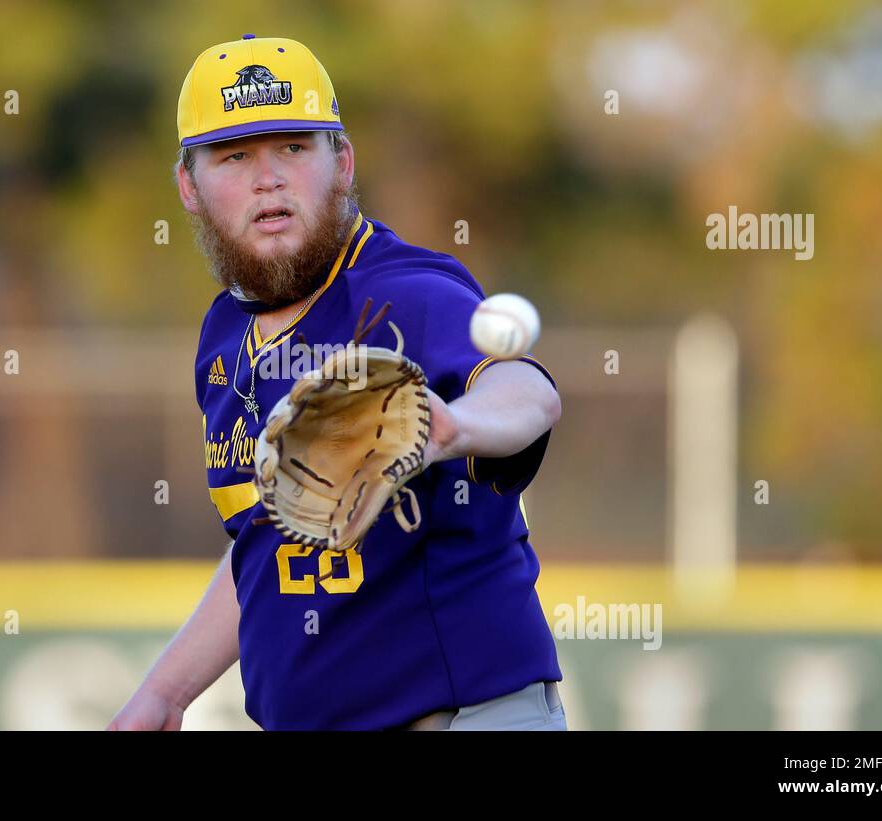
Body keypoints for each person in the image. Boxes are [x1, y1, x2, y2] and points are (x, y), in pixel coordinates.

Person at [109, 34, 564, 731]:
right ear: (188, 187)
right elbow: (264, 545)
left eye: (294, 147)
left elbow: (528, 391)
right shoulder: (224, 338)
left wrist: (454, 426)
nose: (270, 178)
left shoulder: (403, 293)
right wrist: (166, 692)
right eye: (235, 155)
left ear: (342, 163)